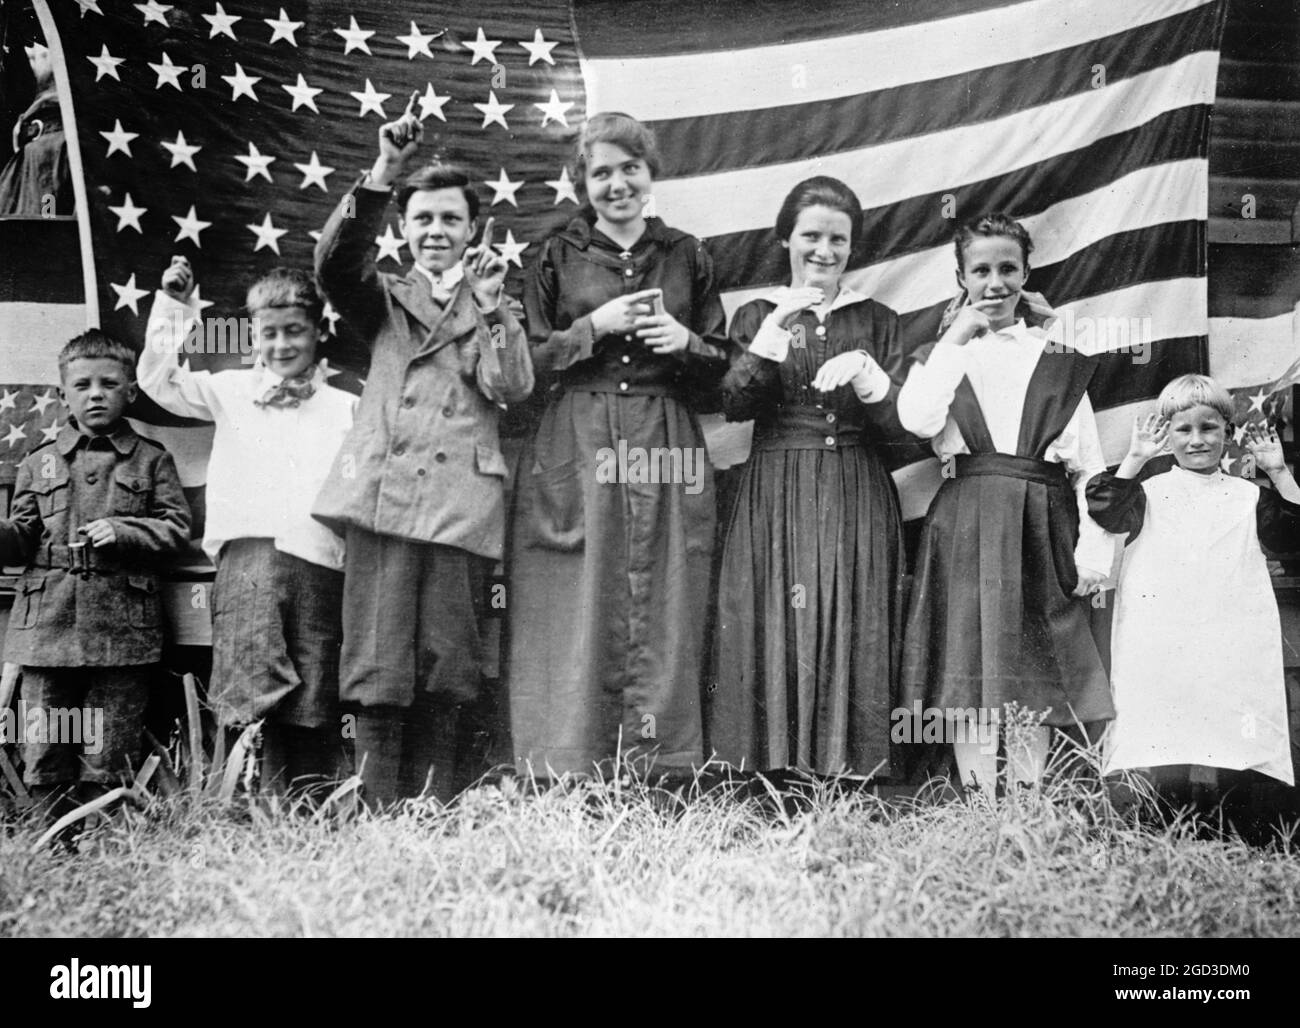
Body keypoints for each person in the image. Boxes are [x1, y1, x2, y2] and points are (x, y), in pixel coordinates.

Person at [313, 98, 533, 808]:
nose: (436, 231)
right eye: (423, 220)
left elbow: (511, 388)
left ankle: (432, 808)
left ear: (474, 231)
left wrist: (495, 309)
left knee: (449, 661)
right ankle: (377, 805)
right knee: (376, 660)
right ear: (402, 230)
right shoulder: (381, 297)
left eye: (450, 220)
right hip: (384, 499)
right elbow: (334, 263)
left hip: (459, 505)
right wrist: (384, 170)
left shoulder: (496, 301)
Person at [508, 111, 729, 777]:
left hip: (664, 433)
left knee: (665, 587)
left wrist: (686, 344)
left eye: (629, 168)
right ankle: (570, 761)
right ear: (583, 182)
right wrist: (594, 327)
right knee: (581, 587)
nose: (617, 184)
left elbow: (727, 370)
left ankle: (659, 763)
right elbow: (529, 362)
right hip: (578, 433)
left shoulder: (686, 252)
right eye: (601, 172)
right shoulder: (555, 253)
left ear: (649, 172)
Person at [897, 212, 1115, 793]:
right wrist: (955, 337)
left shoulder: (1055, 357)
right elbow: (916, 419)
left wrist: (1094, 551)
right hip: (966, 517)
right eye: (981, 270)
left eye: (1007, 269)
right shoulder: (944, 355)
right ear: (962, 277)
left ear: (1025, 272)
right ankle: (980, 799)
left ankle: (1026, 796)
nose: (995, 283)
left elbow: (1089, 465)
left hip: (1040, 520)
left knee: (1034, 659)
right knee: (972, 656)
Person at [708, 176, 906, 777]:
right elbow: (735, 404)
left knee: (853, 612)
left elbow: (908, 428)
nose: (824, 250)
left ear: (853, 248)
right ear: (785, 240)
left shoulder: (877, 319)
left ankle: (851, 768)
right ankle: (771, 769)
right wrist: (775, 329)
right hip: (775, 485)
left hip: (853, 484)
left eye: (838, 240)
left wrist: (869, 374)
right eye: (810, 236)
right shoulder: (756, 314)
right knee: (775, 617)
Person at [137, 256, 356, 796]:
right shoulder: (229, 390)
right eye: (269, 334)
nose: (282, 346)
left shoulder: (346, 404)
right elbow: (155, 381)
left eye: (294, 332)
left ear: (317, 330)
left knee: (313, 680)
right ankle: (243, 801)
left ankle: (304, 803)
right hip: (249, 559)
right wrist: (174, 305)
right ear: (253, 335)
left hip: (320, 558)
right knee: (248, 680)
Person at [0, 330, 190, 822]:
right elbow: (22, 538)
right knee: (46, 741)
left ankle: (101, 840)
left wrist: (124, 530)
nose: (96, 394)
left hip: (121, 627)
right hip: (47, 626)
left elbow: (177, 529)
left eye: (109, 383)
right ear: (64, 394)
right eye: (82, 385)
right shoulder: (40, 461)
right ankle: (51, 842)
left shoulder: (151, 460)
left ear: (131, 391)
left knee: (107, 745)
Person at [1087, 377, 1298, 785]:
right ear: (1167, 436)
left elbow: (1292, 533)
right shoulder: (1147, 492)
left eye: (1209, 428)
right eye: (1184, 429)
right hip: (1165, 634)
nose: (1197, 440)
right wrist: (1133, 459)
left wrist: (1278, 471)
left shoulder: (1247, 496)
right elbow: (1104, 510)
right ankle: (1173, 823)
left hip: (1231, 633)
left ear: (1228, 432)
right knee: (1168, 725)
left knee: (1238, 724)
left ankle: (1240, 826)